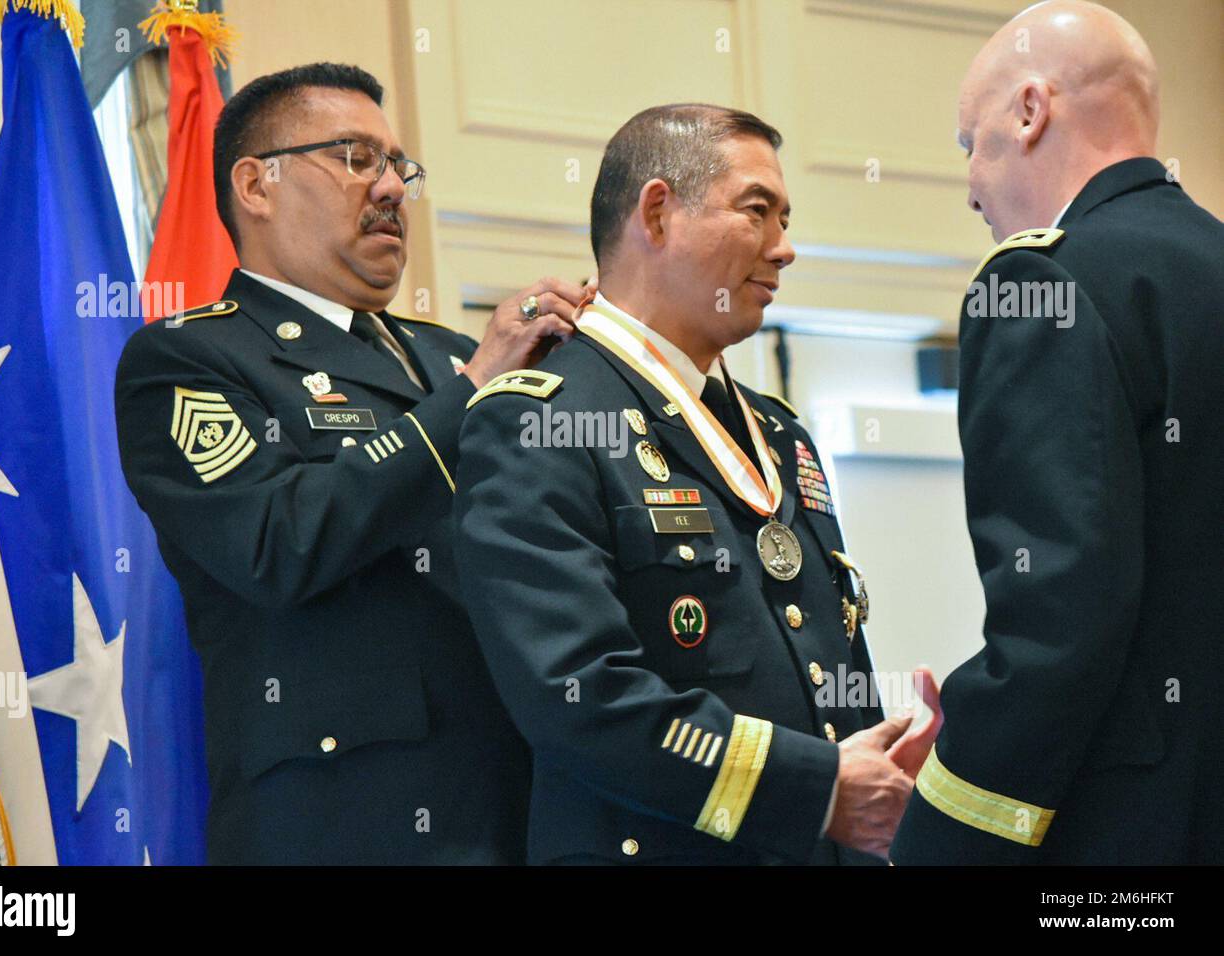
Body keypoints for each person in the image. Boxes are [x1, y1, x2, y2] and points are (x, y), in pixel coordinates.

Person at [115, 62, 587, 864]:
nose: (393, 188)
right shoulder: (189, 359)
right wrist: (475, 390)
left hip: (517, 810)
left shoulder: (447, 355)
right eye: (356, 158)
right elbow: (278, 543)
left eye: (398, 165)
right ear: (256, 185)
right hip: (346, 826)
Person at [452, 104, 940, 865]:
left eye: (785, 219)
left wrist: (876, 770)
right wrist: (815, 790)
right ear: (657, 212)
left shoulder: (778, 431)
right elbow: (579, 695)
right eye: (757, 211)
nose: (785, 248)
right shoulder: (539, 420)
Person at [890, 0, 1224, 864]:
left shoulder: (1042, 287)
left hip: (1131, 837)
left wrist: (942, 828)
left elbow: (1061, 622)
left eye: (971, 145)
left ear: (1030, 111)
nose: (970, 188)